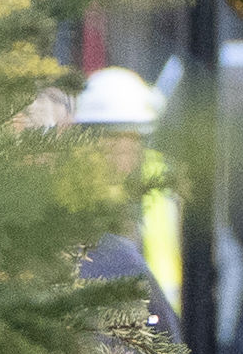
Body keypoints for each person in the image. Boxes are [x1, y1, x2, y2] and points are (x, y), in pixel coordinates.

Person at [66, 63, 184, 336]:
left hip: (160, 328)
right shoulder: (72, 193)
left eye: (130, 143)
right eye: (110, 143)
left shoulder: (163, 184)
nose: (121, 158)